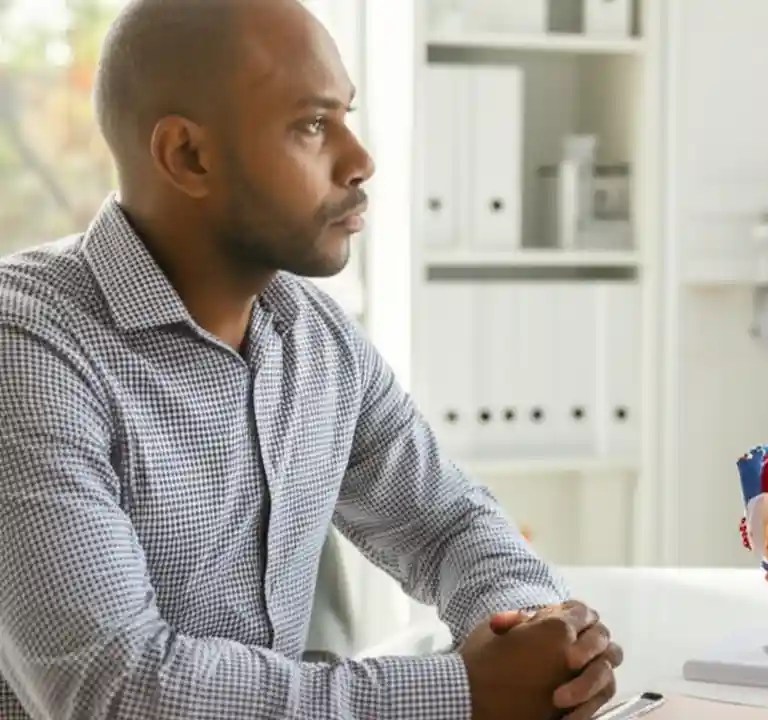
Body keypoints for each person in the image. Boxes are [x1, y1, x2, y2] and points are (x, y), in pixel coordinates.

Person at [0, 1, 622, 718]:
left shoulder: (312, 331)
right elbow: (116, 690)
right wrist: (464, 691)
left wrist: (539, 636)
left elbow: (448, 522)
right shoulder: (29, 351)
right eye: (313, 125)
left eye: (346, 116)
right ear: (187, 156)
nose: (360, 161)